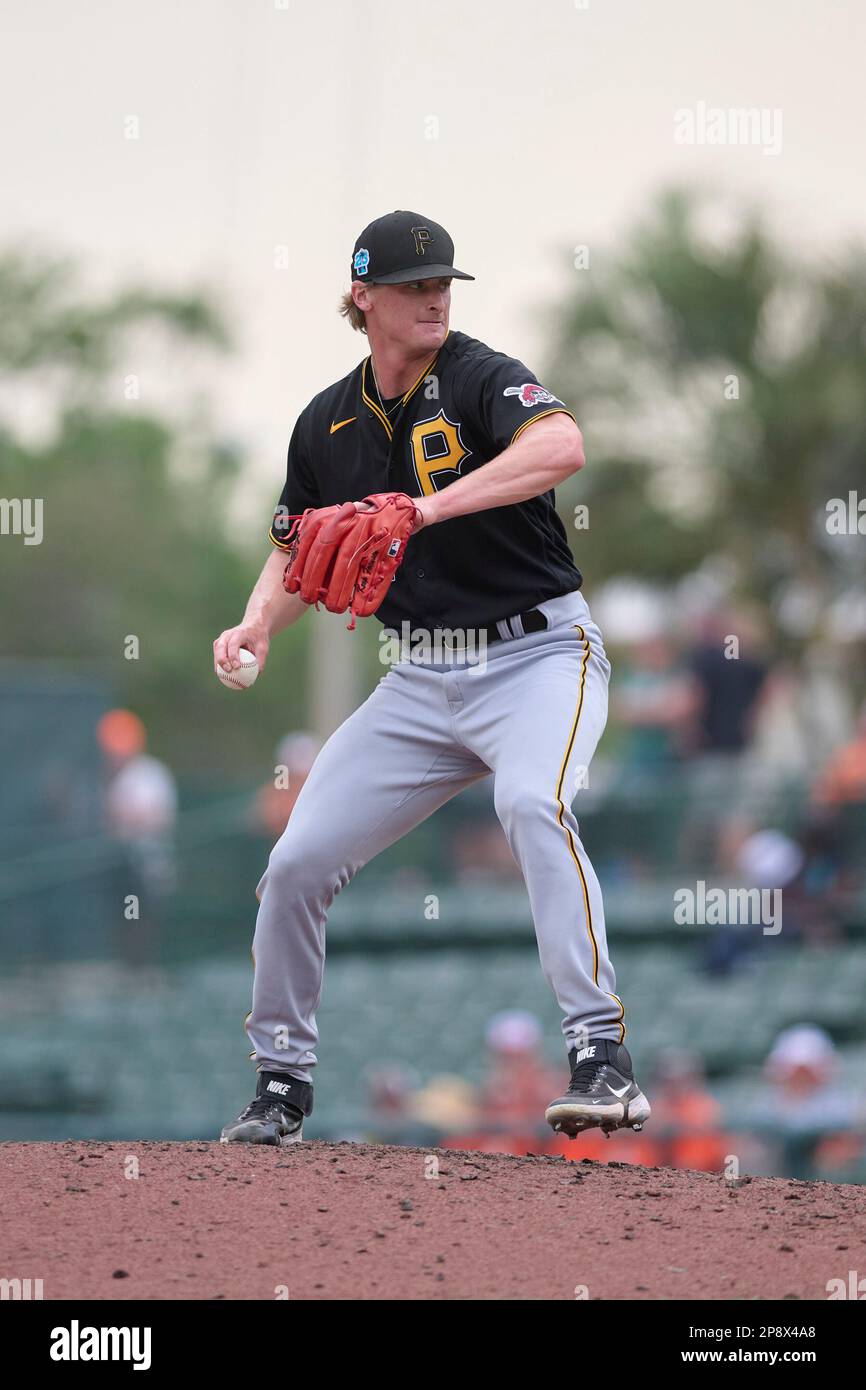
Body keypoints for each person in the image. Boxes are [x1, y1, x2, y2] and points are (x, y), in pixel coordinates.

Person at [215, 210, 650, 1146]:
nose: (436, 297)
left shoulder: (481, 376)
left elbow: (561, 447)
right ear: (362, 298)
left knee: (534, 805)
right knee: (294, 864)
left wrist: (425, 508)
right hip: (422, 678)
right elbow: (301, 549)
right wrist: (257, 622)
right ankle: (281, 1084)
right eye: (416, 285)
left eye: (444, 282)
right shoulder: (326, 423)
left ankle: (602, 1056)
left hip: (539, 656)